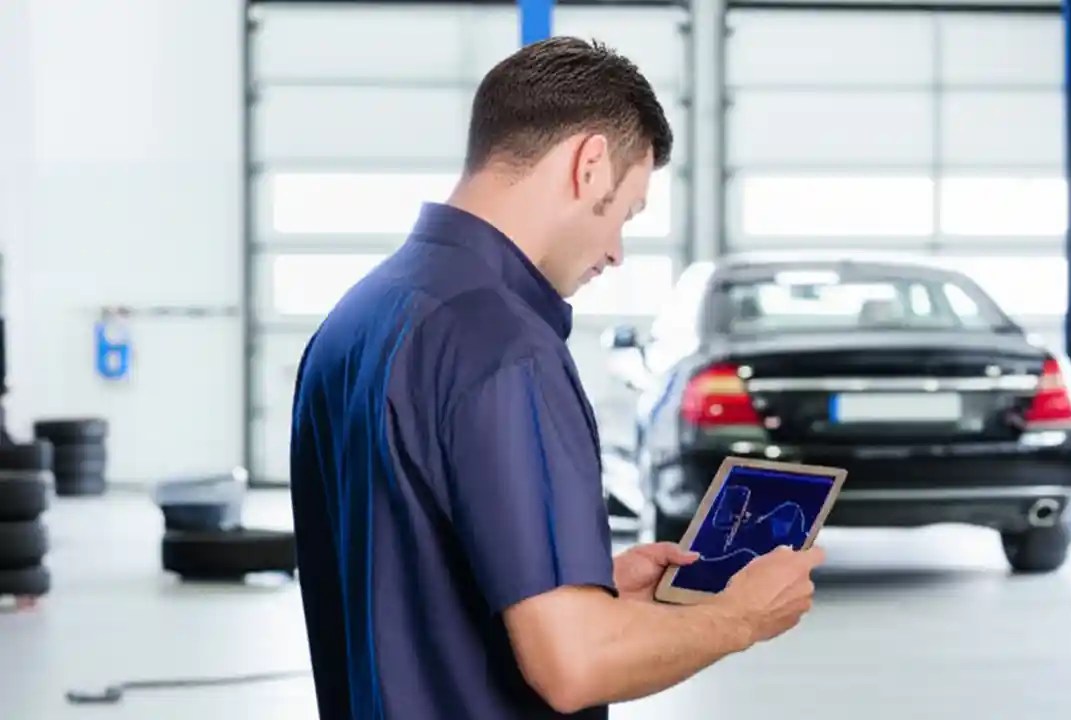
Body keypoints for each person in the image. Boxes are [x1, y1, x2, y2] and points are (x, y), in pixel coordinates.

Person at [289, 37, 825, 720]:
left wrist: (590, 595)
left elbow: (414, 583)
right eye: (625, 213)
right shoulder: (507, 346)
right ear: (590, 163)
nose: (616, 253)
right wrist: (741, 616)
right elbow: (573, 667)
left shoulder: (357, 318)